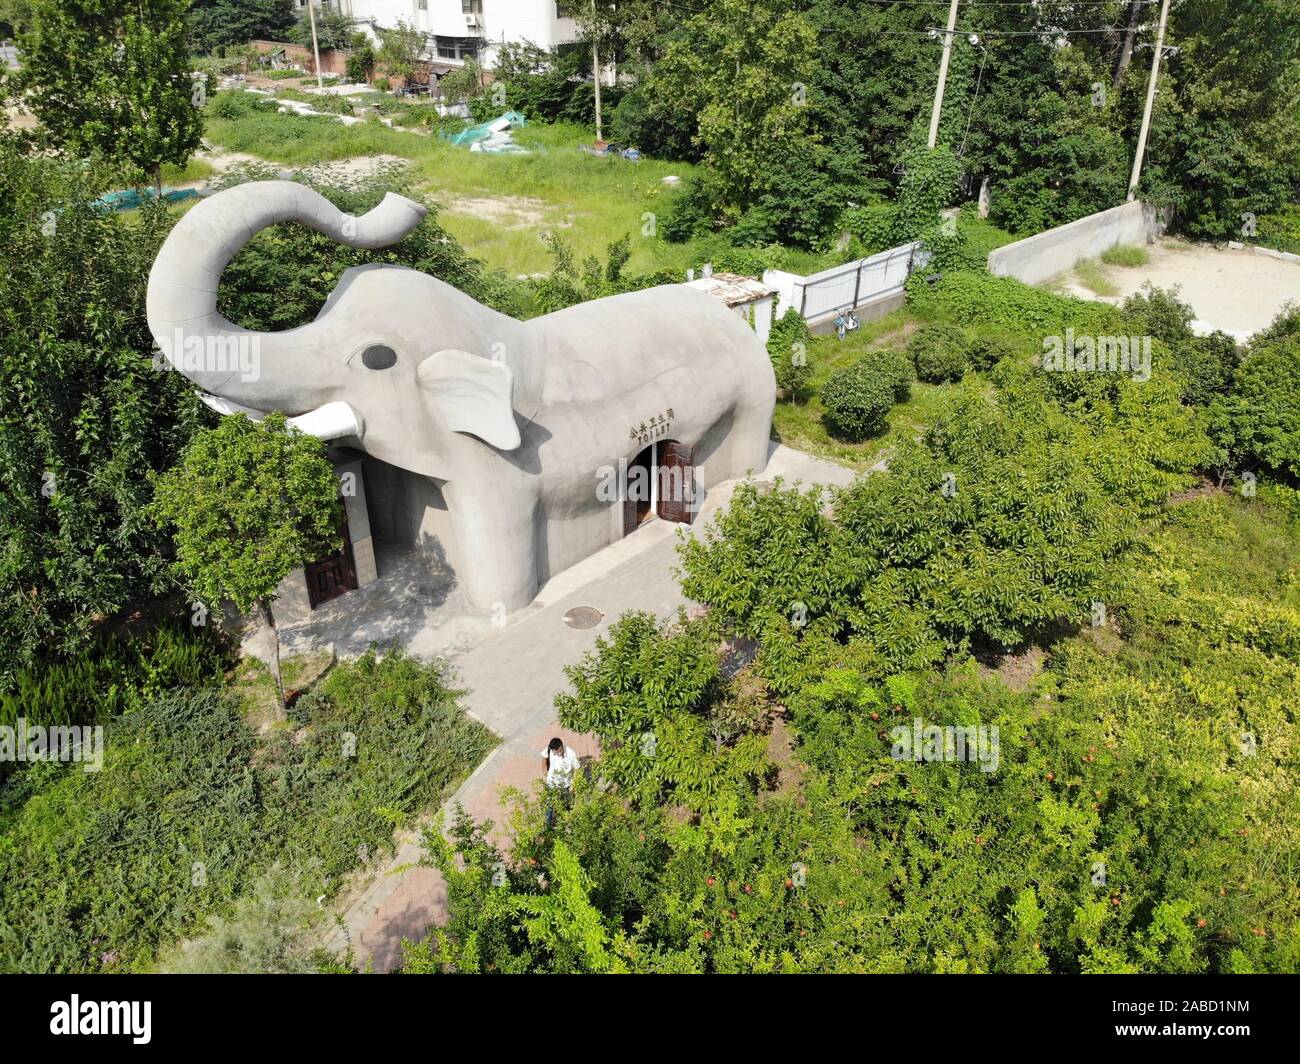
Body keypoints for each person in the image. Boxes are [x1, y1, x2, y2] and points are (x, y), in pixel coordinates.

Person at [541, 737, 580, 829]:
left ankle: (567, 825)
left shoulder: (570, 753)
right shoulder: (549, 750)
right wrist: (544, 770)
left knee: (568, 805)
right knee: (549, 805)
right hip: (552, 783)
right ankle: (548, 826)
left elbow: (577, 769)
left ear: (562, 745)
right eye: (557, 752)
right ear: (552, 750)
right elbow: (544, 757)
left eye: (561, 750)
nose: (560, 753)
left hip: (566, 785)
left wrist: (574, 785)